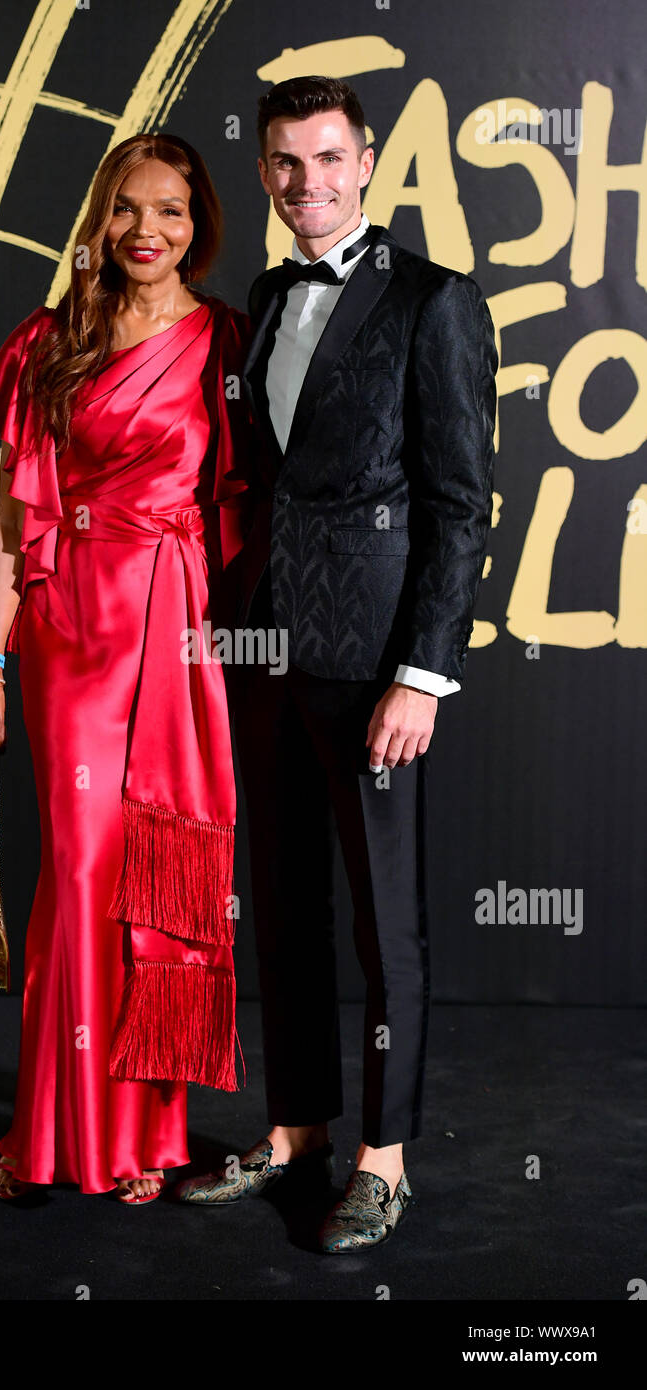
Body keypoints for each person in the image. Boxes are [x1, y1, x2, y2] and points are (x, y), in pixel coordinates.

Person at [175, 76, 498, 1251]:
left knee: (383, 921)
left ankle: (381, 1156)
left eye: (326, 158)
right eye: (282, 162)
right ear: (263, 172)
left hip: (375, 665)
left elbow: (460, 505)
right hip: (266, 644)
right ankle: (298, 1129)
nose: (305, 182)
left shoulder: (432, 301)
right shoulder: (263, 294)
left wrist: (420, 674)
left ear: (365, 162)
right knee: (289, 910)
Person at [0, 133, 252, 1205]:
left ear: (197, 222)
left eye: (169, 210)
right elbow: (10, 519)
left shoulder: (225, 340)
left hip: (178, 630)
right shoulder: (50, 339)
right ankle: (53, 1134)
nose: (147, 232)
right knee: (81, 879)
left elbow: (257, 499)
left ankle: (145, 1138)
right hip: (72, 629)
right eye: (127, 209)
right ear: (100, 218)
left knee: (167, 886)